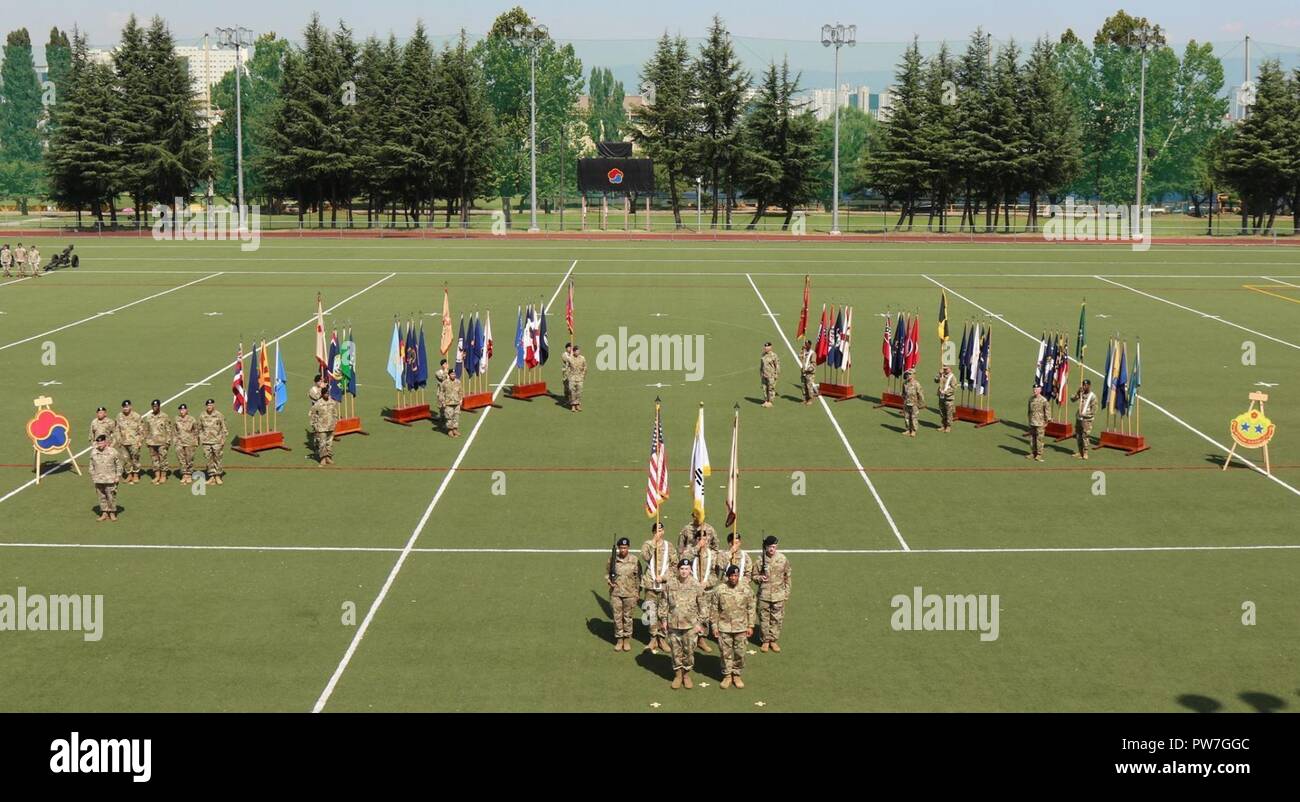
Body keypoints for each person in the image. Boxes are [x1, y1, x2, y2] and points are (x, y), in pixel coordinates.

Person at [712, 564, 756, 689]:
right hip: (724, 627)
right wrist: (714, 627)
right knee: (725, 653)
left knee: (740, 652)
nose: (734, 578)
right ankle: (727, 675)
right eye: (731, 575)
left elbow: (751, 608)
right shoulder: (720, 589)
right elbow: (714, 609)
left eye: (736, 575)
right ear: (727, 576)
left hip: (741, 627)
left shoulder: (746, 589)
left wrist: (751, 625)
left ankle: (736, 674)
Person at [665, 559, 707, 690]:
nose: (684, 571)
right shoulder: (670, 584)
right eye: (682, 568)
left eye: (686, 569)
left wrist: (699, 624)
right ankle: (678, 675)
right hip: (674, 624)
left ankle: (686, 675)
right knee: (675, 651)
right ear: (678, 569)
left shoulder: (696, 585)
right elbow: (663, 602)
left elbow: (703, 605)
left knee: (688, 652)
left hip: (690, 626)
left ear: (690, 570)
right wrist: (663, 620)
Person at [639, 521, 677, 654]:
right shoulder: (647, 545)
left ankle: (662, 638)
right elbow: (645, 556)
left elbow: (674, 565)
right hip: (650, 583)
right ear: (653, 532)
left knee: (664, 612)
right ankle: (653, 637)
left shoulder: (669, 546)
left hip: (664, 585)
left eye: (661, 529)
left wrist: (665, 577)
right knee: (650, 612)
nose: (659, 532)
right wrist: (653, 543)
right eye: (656, 530)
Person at [684, 528, 722, 654]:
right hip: (691, 591)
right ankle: (691, 639)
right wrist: (696, 549)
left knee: (704, 615)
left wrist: (707, 583)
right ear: (696, 540)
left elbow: (715, 574)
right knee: (691, 615)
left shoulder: (712, 555)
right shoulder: (690, 552)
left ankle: (701, 639)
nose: (702, 541)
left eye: (704, 539)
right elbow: (683, 560)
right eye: (699, 539)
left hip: (707, 591)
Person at [755, 535, 792, 652]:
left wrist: (786, 593)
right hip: (764, 595)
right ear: (765, 547)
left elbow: (788, 577)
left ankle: (773, 640)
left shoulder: (782, 559)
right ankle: (765, 641)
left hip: (779, 595)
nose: (772, 549)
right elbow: (753, 576)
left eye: (774, 546)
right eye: (770, 546)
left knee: (777, 618)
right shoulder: (760, 560)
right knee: (764, 618)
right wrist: (760, 578)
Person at [605, 537, 641, 652]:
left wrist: (637, 592)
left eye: (625, 548)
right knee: (617, 617)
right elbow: (607, 573)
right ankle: (619, 639)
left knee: (628, 617)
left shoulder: (635, 560)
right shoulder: (613, 559)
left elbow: (638, 577)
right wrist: (609, 580)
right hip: (616, 594)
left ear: (628, 548)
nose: (623, 550)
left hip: (630, 594)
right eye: (621, 548)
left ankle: (627, 639)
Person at [89, 435, 124, 522]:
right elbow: (91, 466)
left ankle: (112, 513)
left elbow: (119, 464)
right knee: (101, 497)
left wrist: (118, 476)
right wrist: (93, 476)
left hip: (110, 479)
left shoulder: (113, 451)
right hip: (98, 479)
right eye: (98, 442)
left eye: (101, 442)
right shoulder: (94, 452)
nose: (99, 444)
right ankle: (104, 513)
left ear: (105, 442)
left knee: (111, 497)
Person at [143, 399, 174, 484]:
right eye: (153, 406)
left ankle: (163, 476)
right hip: (152, 442)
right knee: (154, 459)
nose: (154, 408)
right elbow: (146, 429)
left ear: (159, 406)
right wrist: (146, 440)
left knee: (163, 459)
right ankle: (157, 476)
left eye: (156, 406)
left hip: (162, 442)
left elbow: (169, 430)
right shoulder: (149, 417)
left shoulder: (165, 416)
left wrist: (168, 441)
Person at [116, 400, 145, 484]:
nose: (126, 408)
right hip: (123, 442)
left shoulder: (136, 416)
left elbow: (141, 430)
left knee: (135, 458)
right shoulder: (119, 416)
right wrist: (118, 440)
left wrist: (139, 441)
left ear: (131, 407)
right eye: (124, 407)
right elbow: (117, 429)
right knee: (126, 459)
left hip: (134, 442)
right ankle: (129, 474)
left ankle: (135, 474)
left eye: (127, 406)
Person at [199, 399, 228, 484]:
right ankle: (211, 476)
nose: (209, 407)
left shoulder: (219, 415)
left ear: (214, 405)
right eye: (208, 405)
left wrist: (223, 440)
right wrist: (201, 438)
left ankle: (218, 476)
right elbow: (199, 428)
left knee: (217, 459)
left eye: (211, 405)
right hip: (206, 442)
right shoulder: (202, 415)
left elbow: (224, 428)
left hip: (217, 441)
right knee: (209, 459)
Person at [308, 385, 337, 465]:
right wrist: (314, 425)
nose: (327, 394)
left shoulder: (332, 402)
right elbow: (312, 414)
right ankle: (323, 459)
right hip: (321, 427)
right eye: (326, 393)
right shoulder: (318, 403)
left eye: (328, 393)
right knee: (322, 444)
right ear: (322, 394)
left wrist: (335, 422)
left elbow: (335, 413)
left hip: (330, 426)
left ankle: (328, 458)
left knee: (329, 443)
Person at [1071, 379, 1098, 460]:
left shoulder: (1092, 396)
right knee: (1078, 435)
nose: (1084, 386)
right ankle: (1080, 451)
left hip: (1087, 420)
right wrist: (1078, 392)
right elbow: (1072, 399)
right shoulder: (1081, 393)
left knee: (1085, 436)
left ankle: (1085, 452)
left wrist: (1085, 415)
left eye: (1085, 385)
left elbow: (1094, 410)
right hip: (1079, 418)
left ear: (1089, 386)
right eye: (1083, 385)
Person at [174, 403, 200, 483]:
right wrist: (175, 441)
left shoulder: (192, 419)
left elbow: (196, 431)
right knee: (181, 459)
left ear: (187, 410)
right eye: (181, 409)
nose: (182, 411)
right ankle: (184, 474)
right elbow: (174, 431)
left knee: (189, 459)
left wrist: (195, 442)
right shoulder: (176, 419)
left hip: (189, 442)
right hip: (179, 443)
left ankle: (189, 475)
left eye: (184, 409)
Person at [1027, 384, 1050, 462]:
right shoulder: (1031, 399)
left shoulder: (1044, 400)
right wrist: (1029, 420)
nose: (1034, 391)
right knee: (1032, 438)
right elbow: (1029, 411)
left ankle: (1039, 455)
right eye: (1034, 389)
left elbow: (1047, 411)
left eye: (1036, 389)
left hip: (1040, 422)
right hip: (1032, 421)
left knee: (1039, 439)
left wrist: (1047, 421)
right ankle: (1033, 453)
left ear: (1040, 390)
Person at [439, 369, 462, 437]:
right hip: (448, 403)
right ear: (449, 375)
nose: (453, 375)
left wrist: (461, 400)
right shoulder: (445, 383)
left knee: (456, 416)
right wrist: (442, 401)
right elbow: (441, 393)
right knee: (449, 417)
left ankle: (455, 429)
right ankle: (450, 430)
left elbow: (460, 391)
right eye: (452, 374)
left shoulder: (458, 382)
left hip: (456, 402)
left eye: (454, 374)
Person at [902, 369, 925, 437]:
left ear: (914, 375)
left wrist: (920, 404)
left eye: (910, 374)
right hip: (906, 403)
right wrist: (904, 399)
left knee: (913, 417)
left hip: (914, 404)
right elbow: (903, 393)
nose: (908, 375)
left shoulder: (916, 384)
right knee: (906, 417)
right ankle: (908, 429)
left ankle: (913, 431)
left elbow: (920, 394)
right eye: (907, 374)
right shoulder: (905, 383)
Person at [934, 365, 957, 432]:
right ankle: (943, 425)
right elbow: (936, 380)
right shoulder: (942, 375)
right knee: (942, 411)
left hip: (948, 398)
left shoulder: (952, 377)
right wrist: (939, 374)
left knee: (948, 412)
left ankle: (948, 426)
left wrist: (945, 392)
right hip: (941, 397)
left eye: (946, 369)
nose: (945, 370)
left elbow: (953, 388)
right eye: (944, 369)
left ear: (950, 369)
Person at [759, 342, 781, 407]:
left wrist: (776, 374)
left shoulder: (774, 355)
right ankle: (766, 400)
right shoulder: (763, 354)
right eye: (765, 347)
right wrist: (761, 372)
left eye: (767, 347)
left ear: (770, 348)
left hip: (771, 375)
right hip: (764, 375)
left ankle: (770, 402)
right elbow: (762, 365)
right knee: (764, 388)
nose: (765, 348)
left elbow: (777, 365)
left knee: (771, 388)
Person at [569, 345, 587, 412]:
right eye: (577, 351)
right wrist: (569, 376)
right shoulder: (570, 358)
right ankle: (573, 406)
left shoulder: (582, 358)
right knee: (572, 392)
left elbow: (585, 367)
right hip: (572, 378)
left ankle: (578, 405)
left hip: (580, 378)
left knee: (579, 392)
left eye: (579, 351)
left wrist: (583, 375)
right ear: (574, 351)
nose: (578, 352)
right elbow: (566, 367)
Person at [799, 340, 817, 405]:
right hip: (803, 372)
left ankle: (810, 399)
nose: (805, 346)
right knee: (803, 386)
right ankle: (805, 399)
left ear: (810, 345)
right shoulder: (804, 352)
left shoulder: (812, 353)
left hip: (809, 373)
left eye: (806, 344)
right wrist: (802, 350)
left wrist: (807, 370)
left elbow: (813, 364)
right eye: (805, 344)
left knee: (809, 386)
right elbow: (800, 356)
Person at [561, 343, 573, 407]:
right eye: (569, 347)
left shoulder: (573, 354)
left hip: (572, 374)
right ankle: (566, 400)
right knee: (566, 388)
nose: (570, 349)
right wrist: (571, 356)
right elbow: (568, 360)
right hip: (566, 374)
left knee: (572, 388)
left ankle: (572, 401)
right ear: (566, 348)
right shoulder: (564, 355)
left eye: (571, 347)